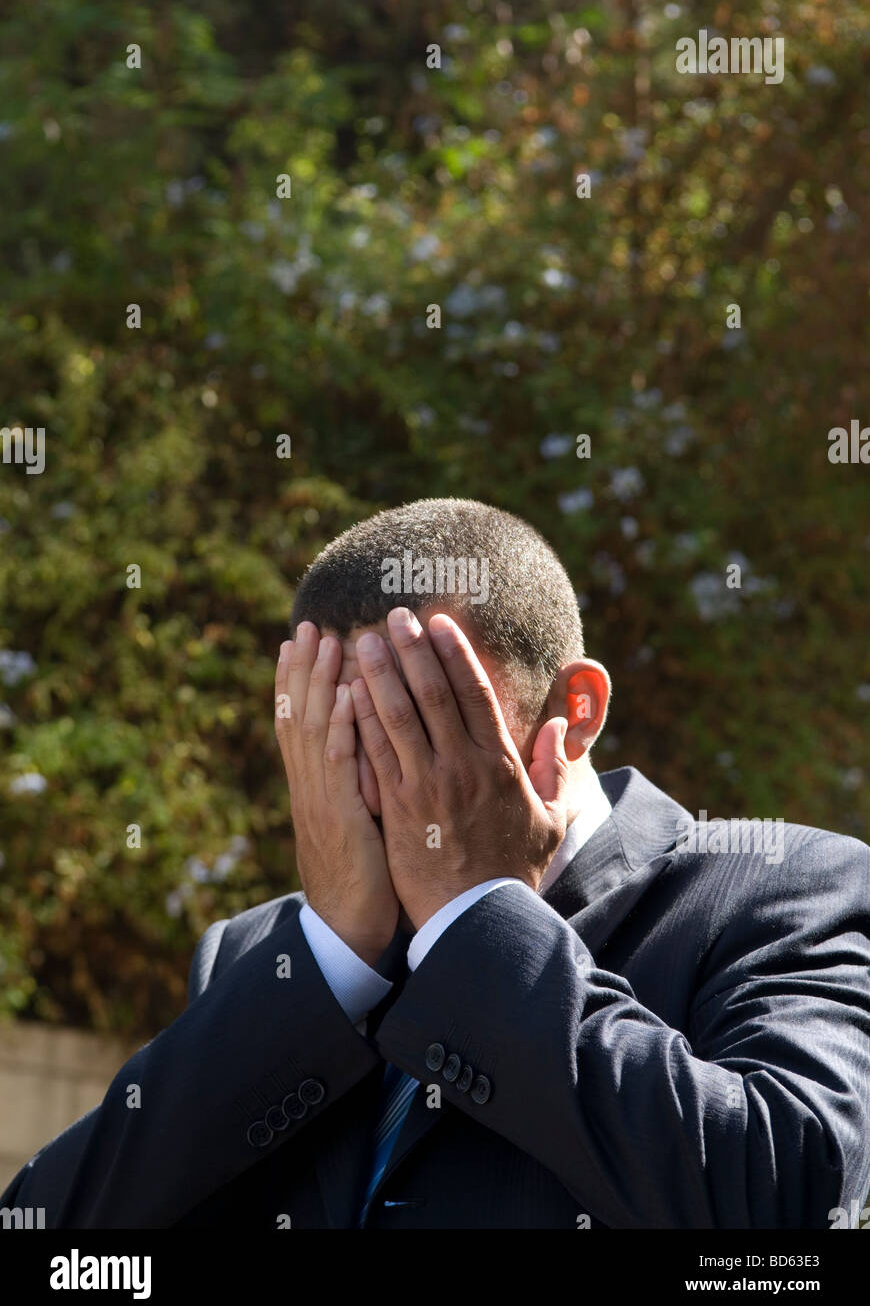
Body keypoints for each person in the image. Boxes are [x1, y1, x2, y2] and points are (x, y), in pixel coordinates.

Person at [3, 498, 869, 1229]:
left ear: (576, 708)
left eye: (422, 713)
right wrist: (330, 958)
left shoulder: (782, 888)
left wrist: (474, 912)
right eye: (340, 732)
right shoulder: (261, 953)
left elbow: (788, 1205)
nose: (381, 774)